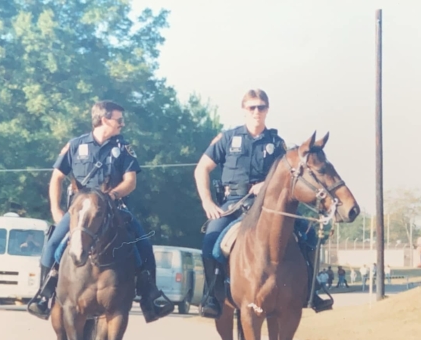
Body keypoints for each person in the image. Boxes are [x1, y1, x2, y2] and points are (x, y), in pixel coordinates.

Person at [27, 100, 174, 323]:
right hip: (80, 211)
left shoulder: (123, 148)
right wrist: (56, 209)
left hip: (113, 208)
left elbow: (130, 181)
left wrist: (113, 195)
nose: (123, 124)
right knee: (53, 245)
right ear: (104, 119)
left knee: (143, 244)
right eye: (119, 119)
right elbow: (57, 177)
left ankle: (150, 297)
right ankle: (44, 295)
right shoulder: (76, 145)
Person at [193, 88, 331, 318]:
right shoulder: (227, 138)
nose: (257, 112)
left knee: (308, 235)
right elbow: (202, 169)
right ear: (244, 110)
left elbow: (288, 176)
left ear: (267, 110)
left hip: (267, 204)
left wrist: (265, 186)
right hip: (234, 203)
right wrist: (207, 201)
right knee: (211, 242)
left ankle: (312, 289)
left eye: (261, 107)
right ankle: (212, 296)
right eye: (252, 107)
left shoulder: (277, 143)